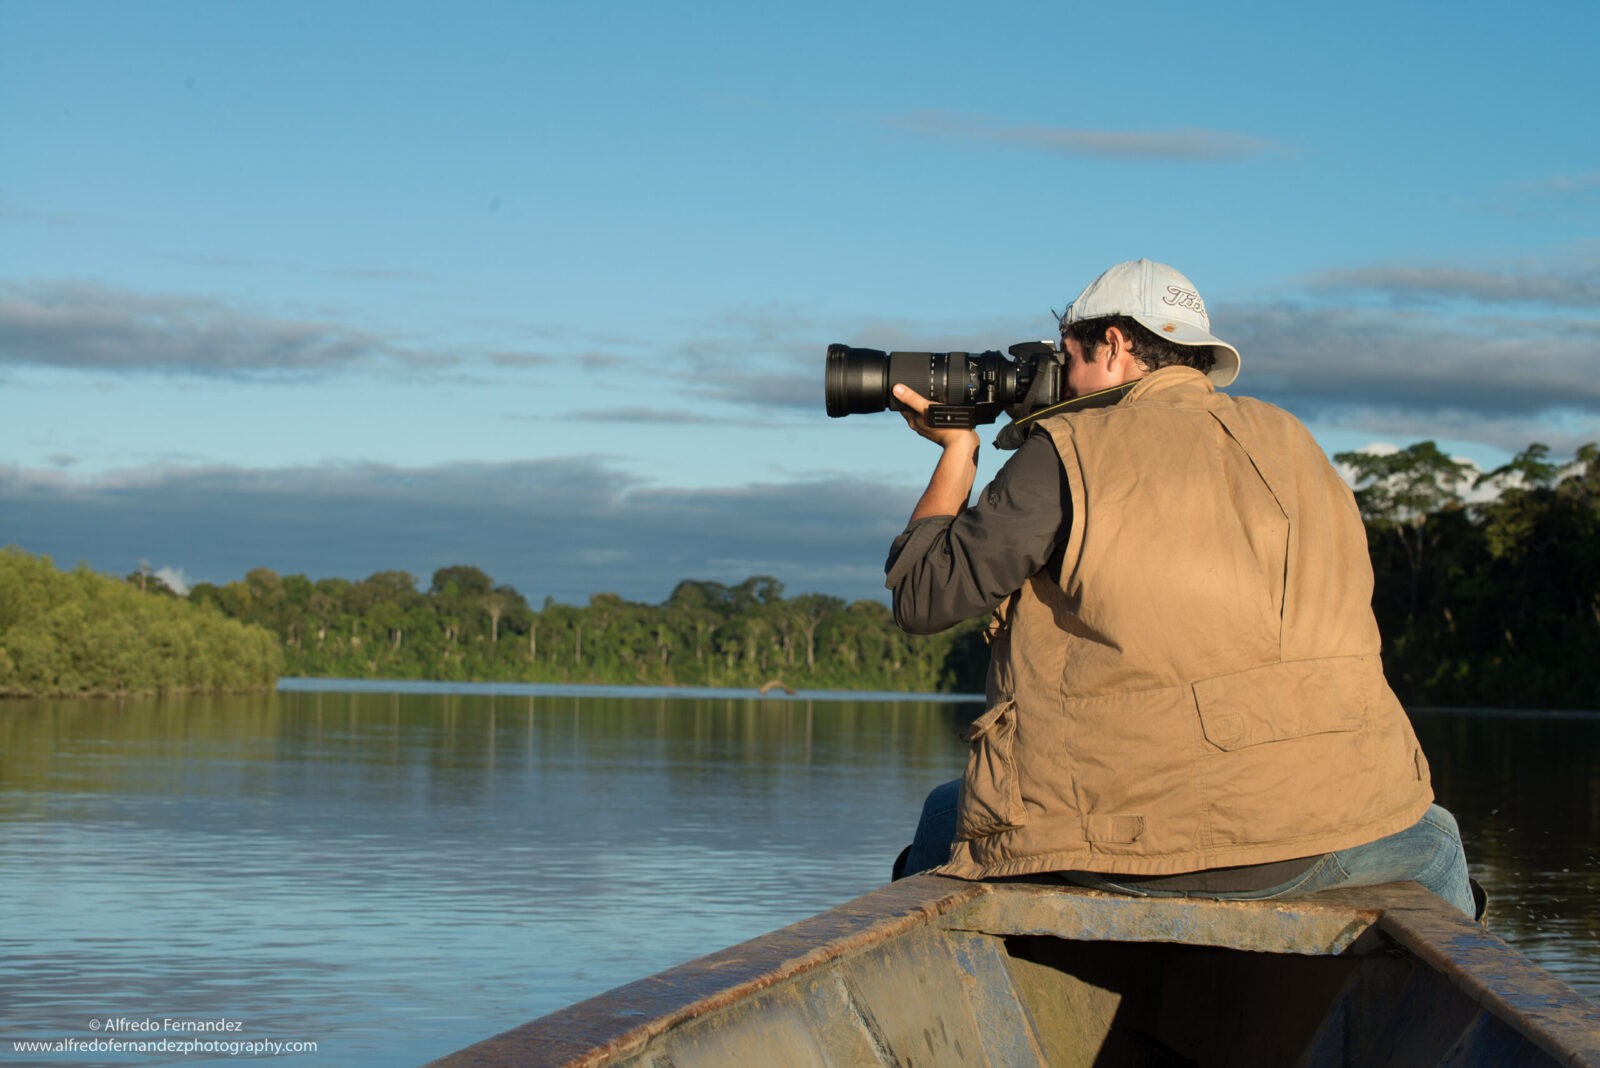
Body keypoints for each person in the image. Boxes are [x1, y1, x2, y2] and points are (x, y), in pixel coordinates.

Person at [886, 259, 1476, 918]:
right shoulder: (1297, 441)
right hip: (1344, 826)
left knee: (948, 815)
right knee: (1437, 838)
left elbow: (923, 597)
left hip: (1130, 846)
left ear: (1115, 345)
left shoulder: (1066, 447)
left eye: (1067, 358)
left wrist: (957, 451)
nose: (1059, 380)